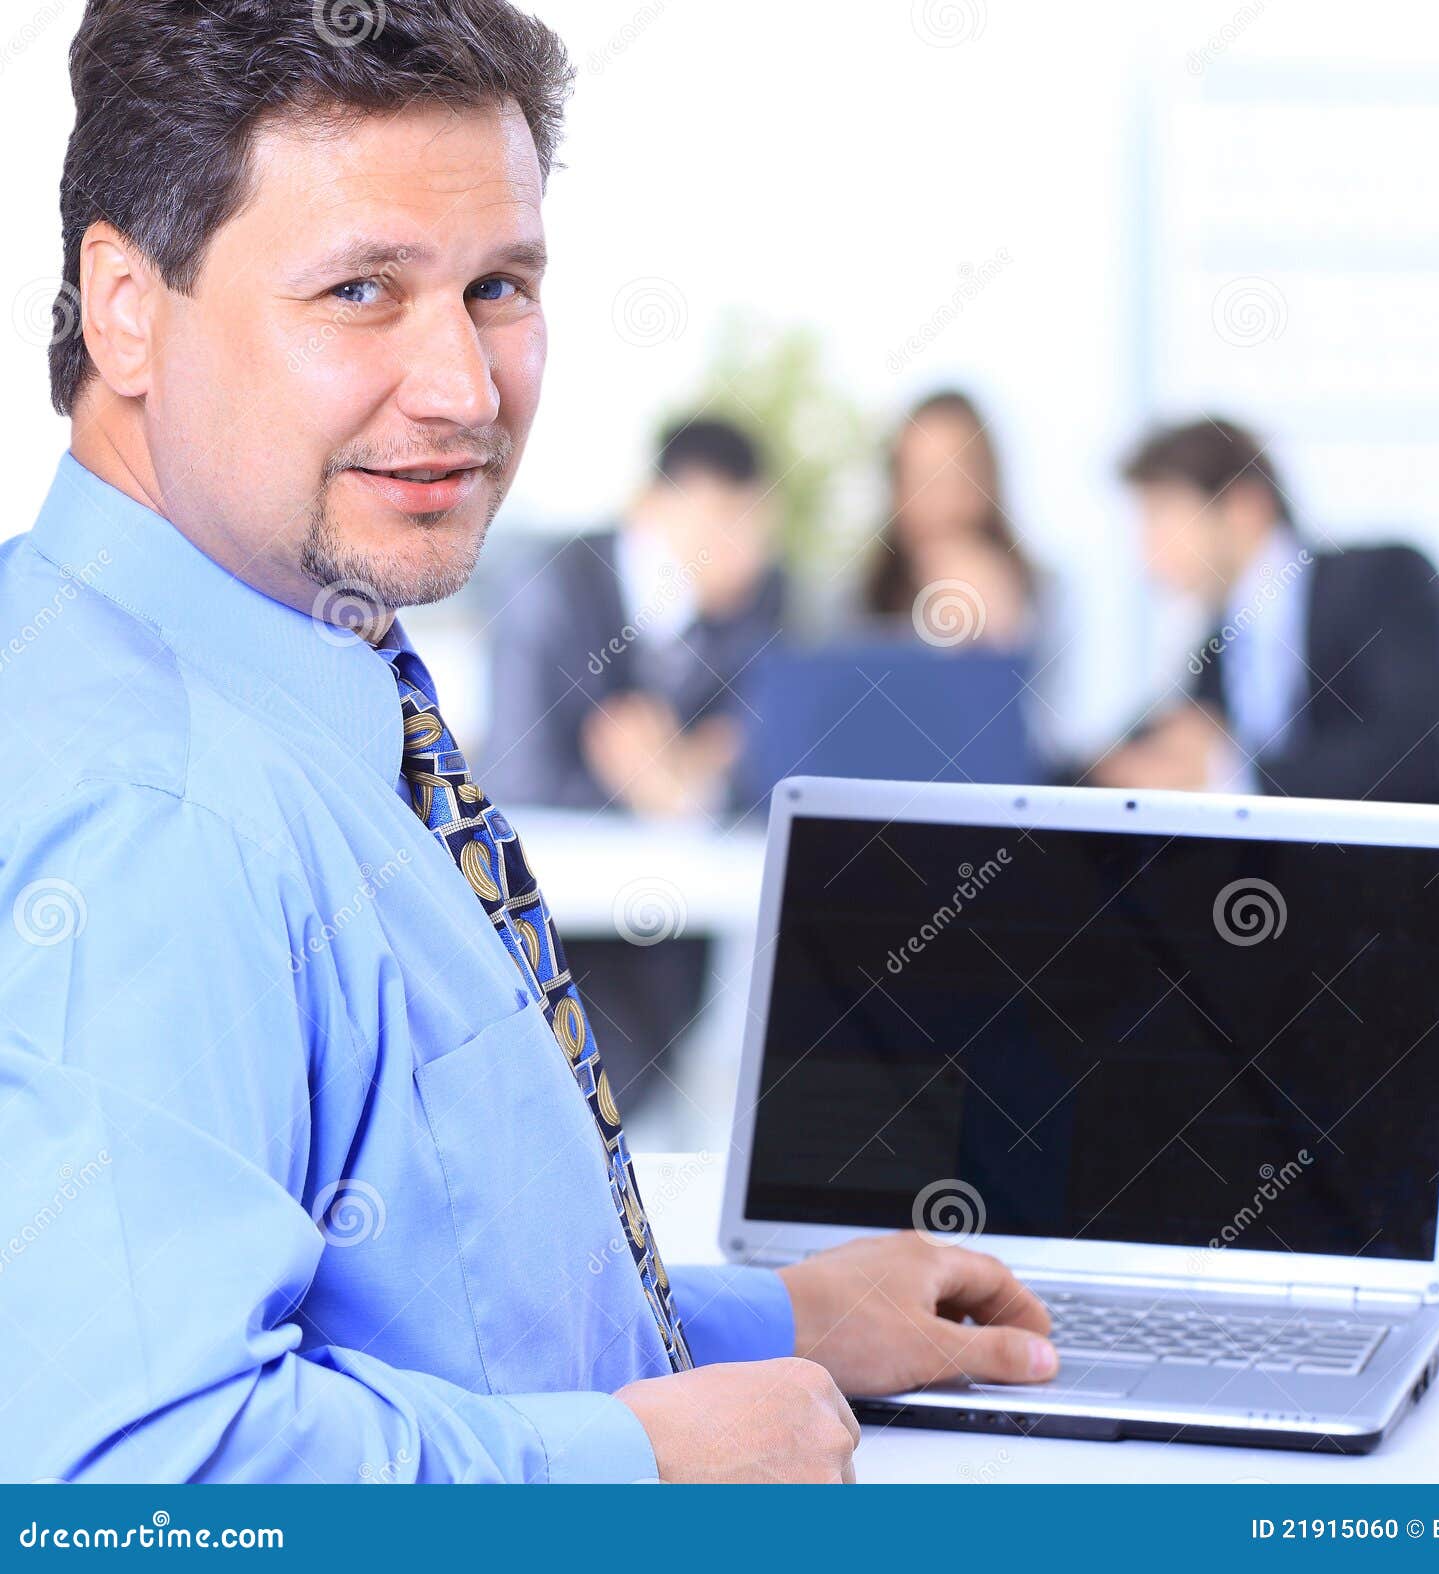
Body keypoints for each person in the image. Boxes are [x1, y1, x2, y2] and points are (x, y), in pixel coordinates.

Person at [0, 0, 1061, 1486]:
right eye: (362, 289)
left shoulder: (250, 669)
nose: (464, 387)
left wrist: (769, 1318)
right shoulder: (155, 809)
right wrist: (644, 1464)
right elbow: (131, 1483)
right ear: (125, 309)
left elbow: (404, 1310)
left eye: (498, 285)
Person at [1093, 416, 1439, 1068]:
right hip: (1322, 973)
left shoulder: (1385, 579)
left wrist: (1227, 773)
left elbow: (1418, 749)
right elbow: (1131, 757)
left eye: (1161, 519)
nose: (1147, 552)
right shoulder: (1218, 648)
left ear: (1241, 506)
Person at [479, 417, 783, 1122]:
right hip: (552, 916)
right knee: (584, 1077)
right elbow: (521, 775)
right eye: (716, 525)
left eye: (751, 527)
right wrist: (648, 785)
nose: (738, 552)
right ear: (652, 508)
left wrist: (677, 779)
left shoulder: (758, 597)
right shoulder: (549, 585)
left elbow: (761, 751)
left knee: (669, 1067)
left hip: (675, 923)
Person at [862, 389, 1036, 648]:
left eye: (955, 481)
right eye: (920, 481)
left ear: (988, 485)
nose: (941, 507)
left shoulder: (1045, 602)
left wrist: (1006, 627)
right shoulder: (853, 606)